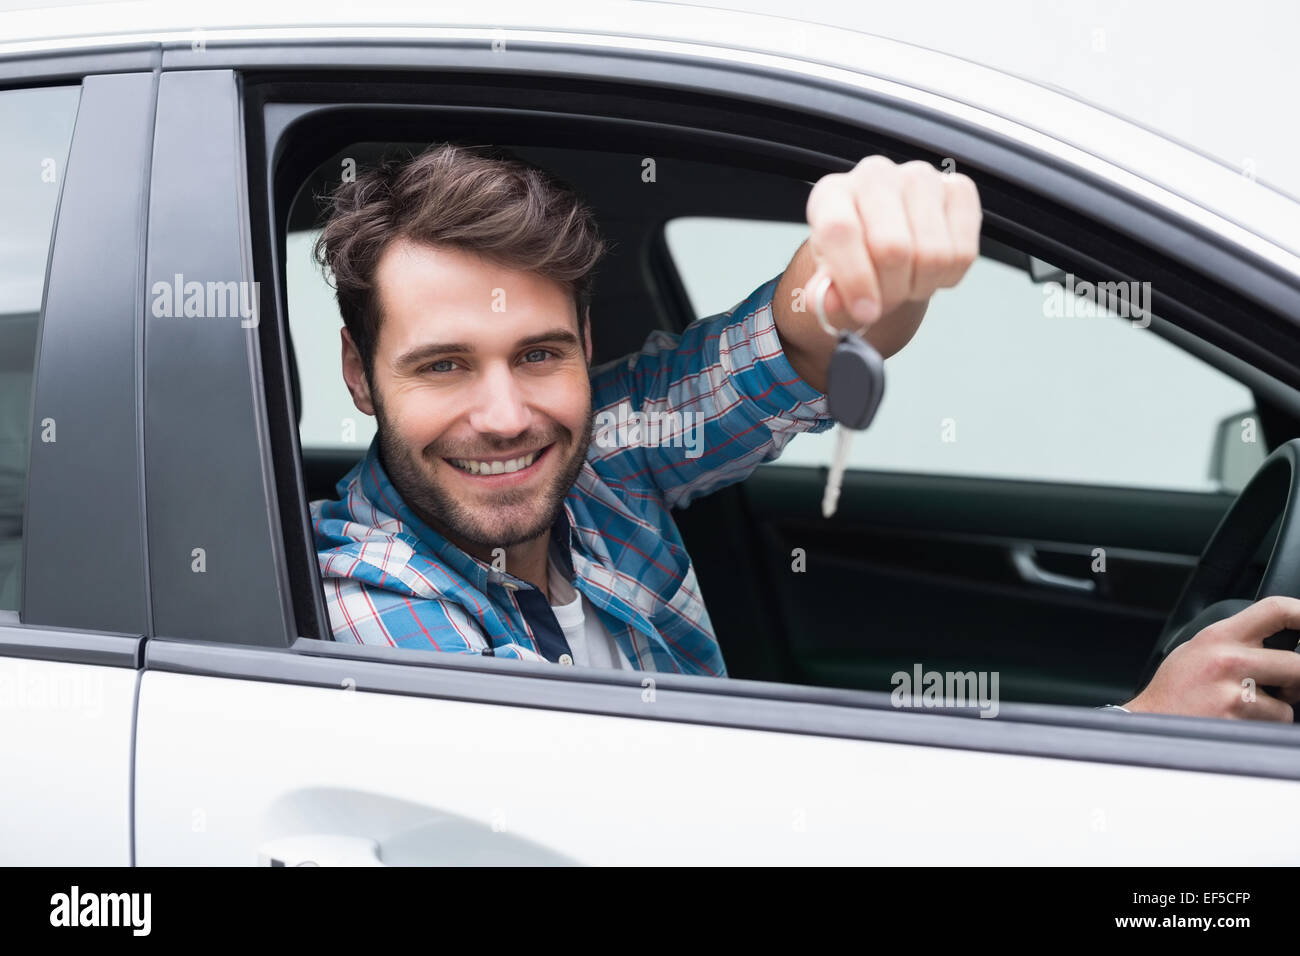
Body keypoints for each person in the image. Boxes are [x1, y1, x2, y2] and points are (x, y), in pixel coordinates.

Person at [310, 142, 1300, 721]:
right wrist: (1130, 738)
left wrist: (864, 261)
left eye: (537, 354)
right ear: (360, 375)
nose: (506, 414)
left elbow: (786, 346)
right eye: (443, 364)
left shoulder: (598, 456)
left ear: (584, 346)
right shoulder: (372, 612)